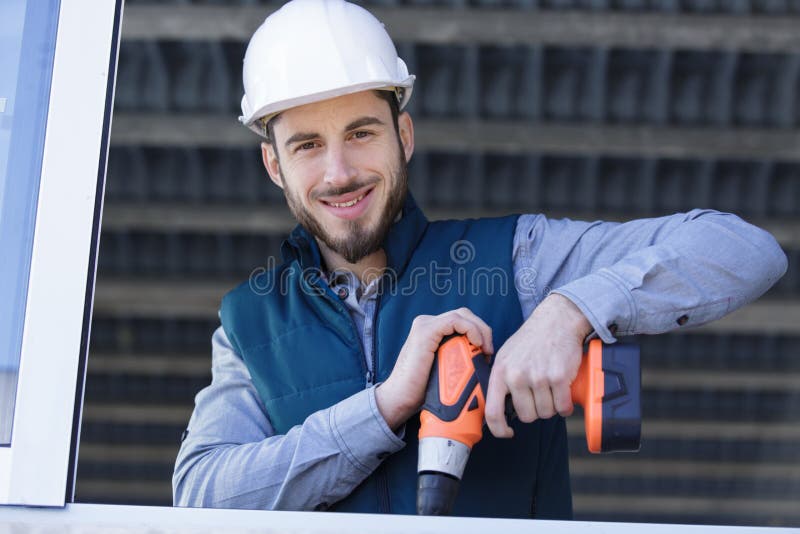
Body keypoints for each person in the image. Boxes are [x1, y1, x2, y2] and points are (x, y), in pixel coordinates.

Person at [172, 0, 787, 518]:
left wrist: (568, 311)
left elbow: (742, 250)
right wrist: (385, 408)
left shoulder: (516, 259)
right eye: (308, 145)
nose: (339, 172)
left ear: (403, 137)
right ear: (274, 166)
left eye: (361, 133)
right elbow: (198, 498)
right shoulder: (249, 325)